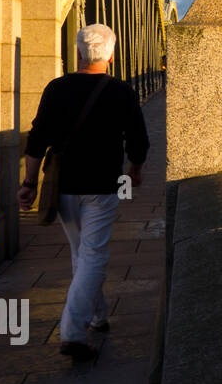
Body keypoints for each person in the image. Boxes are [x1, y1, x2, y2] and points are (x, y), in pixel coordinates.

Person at [19, 24, 150, 361]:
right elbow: (137, 138)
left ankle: (98, 315)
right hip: (102, 187)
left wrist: (29, 184)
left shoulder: (56, 88)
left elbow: (37, 140)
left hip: (62, 188)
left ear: (77, 53)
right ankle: (73, 332)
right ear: (111, 55)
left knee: (81, 252)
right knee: (93, 256)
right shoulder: (121, 92)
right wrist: (135, 169)